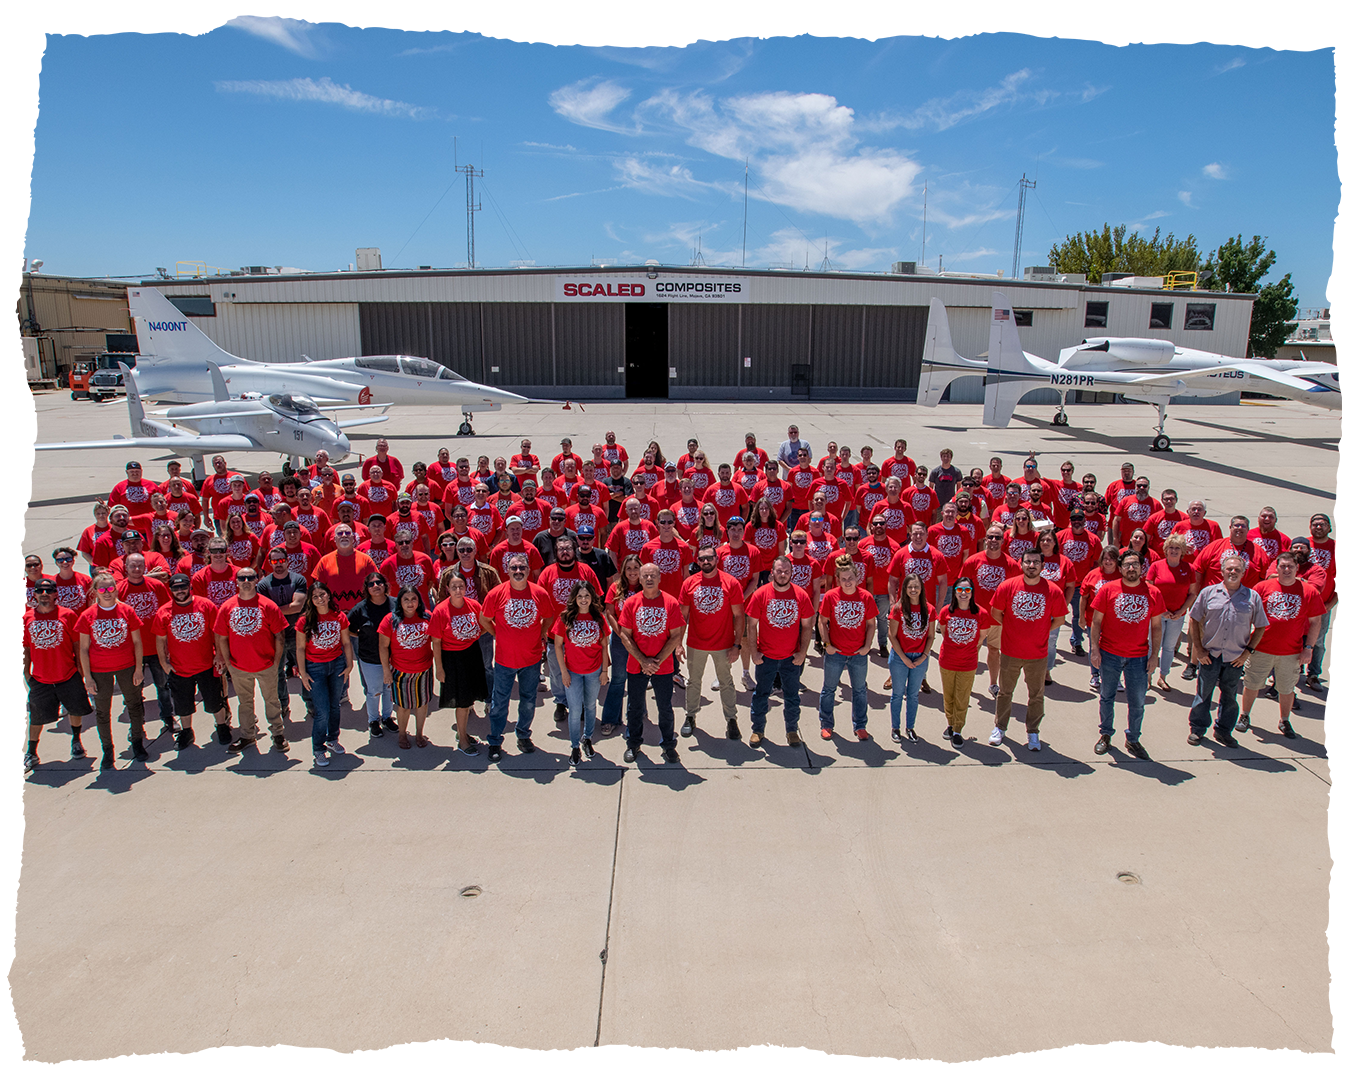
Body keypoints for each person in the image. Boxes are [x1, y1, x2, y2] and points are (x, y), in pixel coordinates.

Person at [987, 550, 1068, 751]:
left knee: (1036, 695)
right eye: (1028, 562)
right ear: (1021, 564)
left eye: (1036, 562)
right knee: (1005, 692)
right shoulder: (1008, 586)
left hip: (1037, 654)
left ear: (1042, 566)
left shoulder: (1053, 591)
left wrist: (1041, 631)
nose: (1032, 565)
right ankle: (1000, 727)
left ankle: (1033, 732)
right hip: (1010, 650)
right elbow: (996, 613)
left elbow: (1060, 619)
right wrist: (1013, 628)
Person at [1239, 550, 1325, 738]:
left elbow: (1315, 622)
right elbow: (1247, 615)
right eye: (1283, 566)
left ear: (1297, 569)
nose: (1287, 570)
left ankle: (1284, 720)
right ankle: (1244, 716)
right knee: (1252, 684)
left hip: (1291, 652)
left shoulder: (1308, 591)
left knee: (1287, 689)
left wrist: (1308, 648)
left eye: (1290, 567)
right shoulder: (1262, 587)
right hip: (1261, 648)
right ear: (1276, 568)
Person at [1187, 554, 1269, 748]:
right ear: (1222, 571)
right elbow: (1194, 619)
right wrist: (1199, 650)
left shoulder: (1252, 597)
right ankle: (1197, 730)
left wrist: (1247, 653)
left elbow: (1261, 626)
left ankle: (1224, 731)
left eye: (1237, 569)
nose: (1233, 572)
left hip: (1235, 658)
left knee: (1230, 697)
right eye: (1229, 569)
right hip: (1210, 655)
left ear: (1243, 573)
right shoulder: (1208, 593)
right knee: (1203, 695)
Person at [479, 552, 552, 763]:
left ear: (528, 570)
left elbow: (548, 617)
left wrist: (540, 633)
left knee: (528, 702)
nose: (518, 571)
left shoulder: (539, 593)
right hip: (504, 660)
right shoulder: (496, 594)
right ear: (507, 571)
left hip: (531, 660)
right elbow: (485, 619)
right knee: (499, 703)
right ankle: (495, 740)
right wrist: (497, 634)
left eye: (522, 568)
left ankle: (523, 735)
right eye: (514, 568)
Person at [1090, 551, 1164, 759]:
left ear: (1142, 568)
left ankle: (1133, 739)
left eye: (1135, 565)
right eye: (1127, 565)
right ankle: (1105, 735)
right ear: (1120, 568)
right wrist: (1094, 650)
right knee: (1107, 697)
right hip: (1110, 653)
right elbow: (1096, 622)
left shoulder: (1153, 593)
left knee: (1137, 701)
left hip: (1138, 657)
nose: (1131, 569)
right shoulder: (1107, 590)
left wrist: (1154, 655)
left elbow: (1156, 627)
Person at [617, 563, 686, 764]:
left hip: (663, 667)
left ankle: (668, 745)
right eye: (645, 575)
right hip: (636, 666)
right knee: (635, 707)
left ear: (659, 578)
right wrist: (643, 660)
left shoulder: (670, 603)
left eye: (652, 576)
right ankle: (633, 743)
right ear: (639, 579)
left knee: (665, 707)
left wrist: (655, 662)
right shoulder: (632, 603)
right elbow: (624, 635)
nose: (648, 579)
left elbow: (675, 636)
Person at [215, 567, 289, 753]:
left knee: (272, 700)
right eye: (242, 578)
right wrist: (228, 662)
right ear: (237, 581)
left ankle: (278, 734)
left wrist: (276, 662)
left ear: (257, 580)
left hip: (266, 665)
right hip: (239, 666)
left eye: (250, 577)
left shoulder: (268, 605)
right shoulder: (227, 607)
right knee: (245, 702)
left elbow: (279, 636)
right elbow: (222, 637)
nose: (246, 581)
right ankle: (247, 736)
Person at [76, 571, 146, 769]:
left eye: (110, 588)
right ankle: (108, 751)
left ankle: (138, 744)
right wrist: (88, 677)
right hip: (100, 670)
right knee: (102, 712)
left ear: (116, 589)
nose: (107, 593)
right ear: (95, 592)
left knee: (134, 705)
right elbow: (83, 648)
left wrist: (138, 668)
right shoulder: (87, 616)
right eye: (102, 589)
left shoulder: (126, 610)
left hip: (126, 666)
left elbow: (137, 642)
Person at [22, 578, 93, 771]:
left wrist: (80, 671)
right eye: (40, 591)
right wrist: (26, 673)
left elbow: (78, 644)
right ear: (34, 594)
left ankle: (76, 741)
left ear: (55, 594)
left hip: (68, 674)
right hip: (40, 678)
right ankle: (31, 752)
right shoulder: (27, 618)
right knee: (36, 717)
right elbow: (26, 648)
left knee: (75, 710)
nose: (44, 594)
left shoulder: (67, 615)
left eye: (48, 591)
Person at [153, 572, 230, 750]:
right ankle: (186, 732)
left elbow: (217, 632)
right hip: (180, 668)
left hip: (206, 665)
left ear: (190, 587)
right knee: (182, 705)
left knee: (214, 701)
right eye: (175, 588)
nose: (180, 591)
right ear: (170, 590)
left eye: (183, 587)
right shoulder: (164, 611)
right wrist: (164, 663)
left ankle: (222, 726)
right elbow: (160, 639)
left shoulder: (206, 605)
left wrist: (219, 655)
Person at [745, 555, 815, 748]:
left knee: (792, 696)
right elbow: (751, 625)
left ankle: (792, 730)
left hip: (791, 658)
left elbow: (807, 626)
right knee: (761, 695)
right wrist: (754, 652)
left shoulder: (801, 595)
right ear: (772, 573)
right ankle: (757, 730)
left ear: (792, 573)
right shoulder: (761, 594)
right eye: (779, 571)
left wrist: (802, 653)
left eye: (786, 571)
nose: (783, 575)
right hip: (766, 656)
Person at [678, 542, 746, 741]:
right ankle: (690, 716)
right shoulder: (689, 583)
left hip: (723, 645)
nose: (706, 561)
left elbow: (739, 616)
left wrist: (736, 645)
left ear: (717, 559)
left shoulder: (730, 582)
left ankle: (731, 719)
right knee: (693, 682)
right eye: (702, 558)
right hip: (696, 643)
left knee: (726, 682)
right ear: (697, 561)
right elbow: (682, 616)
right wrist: (679, 643)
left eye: (709, 557)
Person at [817, 556, 877, 741]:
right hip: (836, 653)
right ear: (838, 580)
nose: (847, 582)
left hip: (858, 653)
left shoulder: (865, 597)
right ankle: (826, 724)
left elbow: (871, 624)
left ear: (857, 578)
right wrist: (827, 645)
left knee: (859, 690)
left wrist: (867, 646)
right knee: (829, 689)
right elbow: (822, 621)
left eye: (850, 578)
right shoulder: (830, 596)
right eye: (843, 579)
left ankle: (860, 725)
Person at [431, 571, 490, 755]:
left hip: (472, 654)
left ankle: (464, 733)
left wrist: (469, 637)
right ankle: (463, 739)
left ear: (466, 588)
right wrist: (439, 668)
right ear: (447, 589)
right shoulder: (440, 610)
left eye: (461, 586)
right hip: (452, 658)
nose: (458, 590)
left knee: (470, 699)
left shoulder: (474, 605)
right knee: (462, 702)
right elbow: (436, 641)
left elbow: (484, 626)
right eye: (454, 587)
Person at [552, 580, 610, 766]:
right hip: (572, 672)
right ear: (574, 598)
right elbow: (558, 646)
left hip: (594, 671)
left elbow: (604, 646)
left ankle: (588, 739)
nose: (583, 600)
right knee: (575, 710)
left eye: (587, 596)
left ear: (592, 598)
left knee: (591, 706)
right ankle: (575, 746)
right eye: (580, 596)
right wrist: (564, 672)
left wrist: (604, 671)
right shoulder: (565, 618)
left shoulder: (598, 618)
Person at [296, 579, 354, 767]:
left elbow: (346, 642)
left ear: (329, 595)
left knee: (335, 706)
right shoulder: (304, 621)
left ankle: (333, 739)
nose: (320, 599)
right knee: (322, 711)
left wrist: (349, 665)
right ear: (310, 600)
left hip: (336, 665)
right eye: (315, 597)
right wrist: (303, 673)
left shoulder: (339, 617)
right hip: (315, 668)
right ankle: (319, 749)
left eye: (322, 595)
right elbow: (300, 649)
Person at [257, 547, 312, 725]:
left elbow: (297, 605)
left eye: (281, 560)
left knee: (306, 671)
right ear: (270, 563)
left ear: (287, 561)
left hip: (298, 635)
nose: (278, 564)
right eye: (274, 561)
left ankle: (311, 704)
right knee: (277, 674)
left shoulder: (298, 579)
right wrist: (277, 612)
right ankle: (283, 705)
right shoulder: (263, 584)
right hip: (275, 637)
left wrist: (275, 611)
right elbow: (264, 612)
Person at [380, 586, 436, 750]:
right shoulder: (390, 620)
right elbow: (383, 646)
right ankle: (402, 734)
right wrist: (385, 670)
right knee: (403, 706)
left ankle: (419, 734)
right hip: (400, 671)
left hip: (424, 669)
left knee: (422, 704)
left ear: (419, 601)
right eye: (406, 599)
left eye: (414, 599)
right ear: (400, 602)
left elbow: (437, 640)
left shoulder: (427, 617)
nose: (410, 603)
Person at [936, 577, 989, 747]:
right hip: (947, 661)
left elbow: (981, 638)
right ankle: (950, 723)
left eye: (967, 590)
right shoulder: (946, 612)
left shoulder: (981, 614)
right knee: (949, 696)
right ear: (955, 592)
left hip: (968, 663)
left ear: (972, 592)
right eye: (960, 590)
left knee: (962, 697)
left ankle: (958, 729)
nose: (964, 594)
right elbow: (945, 634)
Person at [1146, 534, 1200, 692]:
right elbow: (1149, 589)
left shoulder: (1189, 569)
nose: (1174, 551)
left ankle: (1163, 677)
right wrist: (1162, 610)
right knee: (1151, 646)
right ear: (1165, 549)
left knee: (1169, 648)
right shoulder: (1156, 566)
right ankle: (1148, 675)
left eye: (1177, 548)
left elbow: (1192, 594)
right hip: (1158, 615)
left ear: (1182, 551)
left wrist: (1181, 611)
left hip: (1177, 616)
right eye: (1171, 548)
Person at [347, 573, 397, 739]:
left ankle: (387, 717)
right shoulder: (360, 609)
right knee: (374, 691)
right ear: (366, 589)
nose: (376, 586)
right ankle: (374, 721)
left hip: (394, 656)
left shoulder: (396, 604)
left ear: (385, 585)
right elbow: (348, 628)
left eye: (379, 582)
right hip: (370, 657)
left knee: (389, 688)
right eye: (371, 584)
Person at [600, 555, 645, 737]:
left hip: (641, 640)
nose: (632, 572)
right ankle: (611, 719)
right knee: (618, 678)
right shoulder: (615, 588)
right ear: (623, 571)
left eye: (636, 568)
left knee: (638, 679)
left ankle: (636, 715)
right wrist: (620, 633)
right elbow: (609, 612)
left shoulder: (646, 587)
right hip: (620, 640)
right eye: (629, 568)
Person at [888, 572, 935, 741]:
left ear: (921, 588)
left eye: (916, 586)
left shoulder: (929, 609)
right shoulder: (898, 609)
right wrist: (904, 658)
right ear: (904, 589)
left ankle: (910, 727)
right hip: (900, 658)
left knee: (914, 695)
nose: (913, 590)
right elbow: (892, 635)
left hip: (920, 658)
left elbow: (930, 636)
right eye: (910, 587)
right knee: (897, 694)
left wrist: (923, 656)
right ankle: (895, 728)